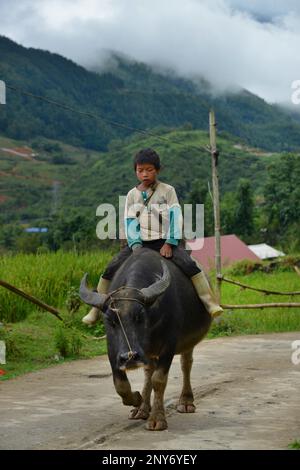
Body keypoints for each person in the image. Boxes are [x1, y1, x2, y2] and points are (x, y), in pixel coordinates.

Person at [82, 148, 223, 325]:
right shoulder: (132, 195)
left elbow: (175, 216)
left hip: (164, 241)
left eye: (149, 170)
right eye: (140, 170)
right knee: (110, 269)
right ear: (135, 172)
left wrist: (170, 243)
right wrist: (135, 246)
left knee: (189, 264)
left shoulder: (168, 191)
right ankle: (95, 310)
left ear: (158, 170)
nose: (145, 174)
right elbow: (130, 221)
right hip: (138, 244)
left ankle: (209, 302)